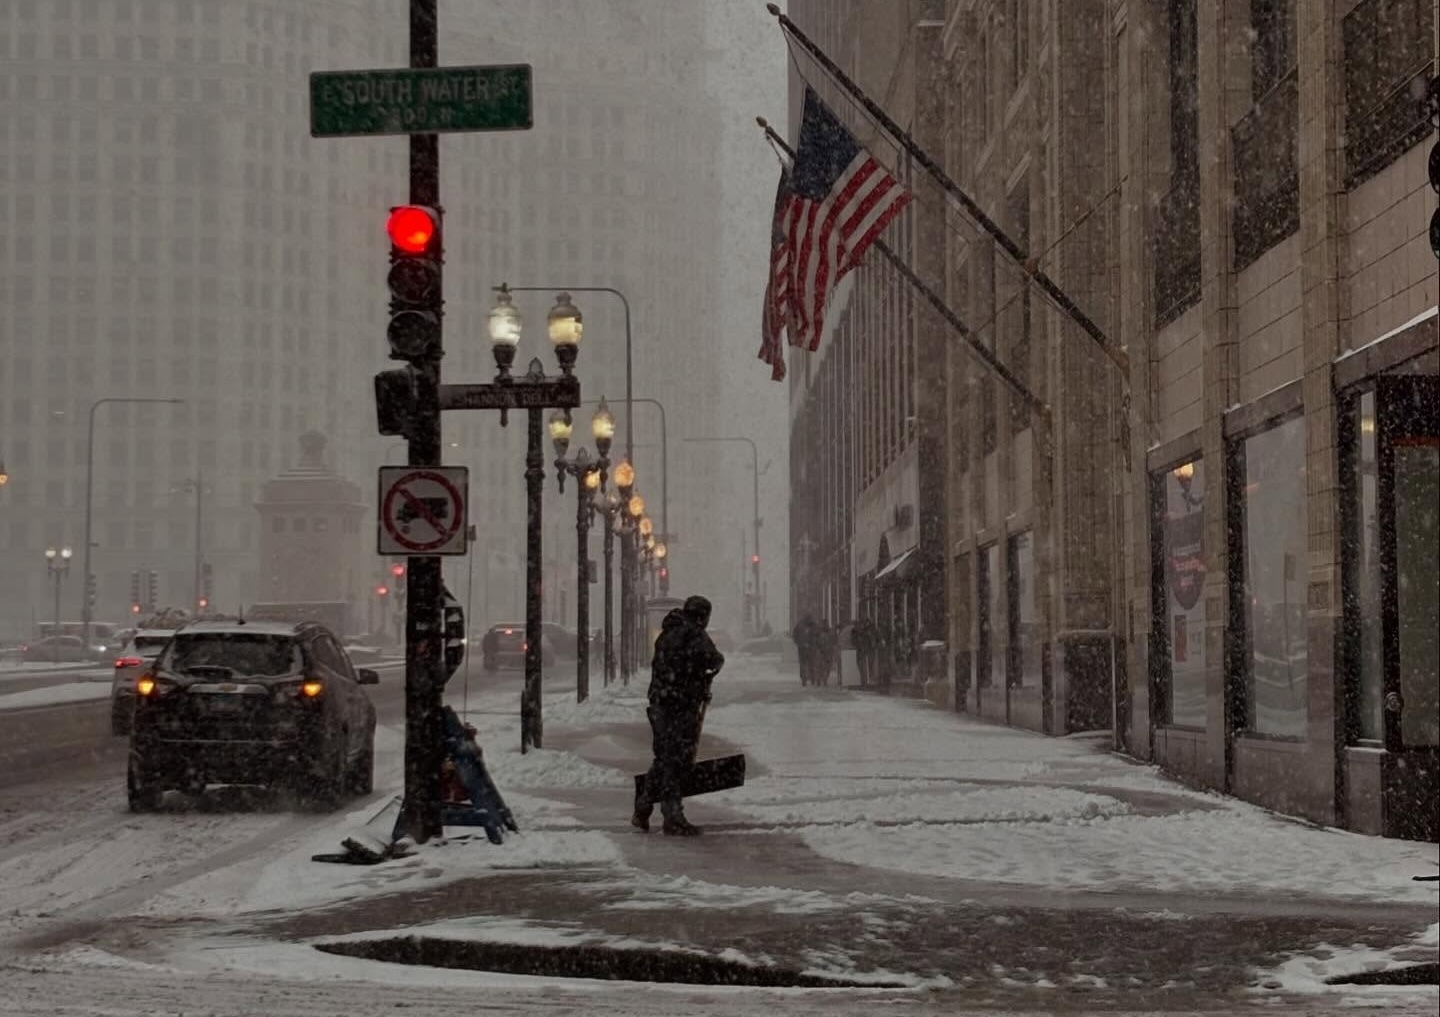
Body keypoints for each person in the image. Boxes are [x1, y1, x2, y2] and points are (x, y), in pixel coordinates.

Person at [632, 595, 724, 836]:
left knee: (664, 757)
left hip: (661, 702)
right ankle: (671, 815)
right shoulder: (693, 634)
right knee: (677, 759)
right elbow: (714, 658)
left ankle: (643, 807)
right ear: (702, 616)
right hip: (681, 704)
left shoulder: (667, 633)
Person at [792, 614, 818, 686]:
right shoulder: (812, 625)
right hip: (806, 648)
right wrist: (799, 643)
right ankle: (807, 679)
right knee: (809, 664)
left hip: (808, 648)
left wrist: (798, 643)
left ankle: (809, 679)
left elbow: (794, 635)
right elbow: (794, 635)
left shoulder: (803, 624)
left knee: (808, 664)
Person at [852, 616, 875, 687]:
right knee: (862, 666)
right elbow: (854, 641)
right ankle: (864, 681)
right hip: (861, 651)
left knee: (864, 666)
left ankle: (865, 681)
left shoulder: (865, 632)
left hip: (865, 651)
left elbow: (870, 642)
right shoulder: (857, 632)